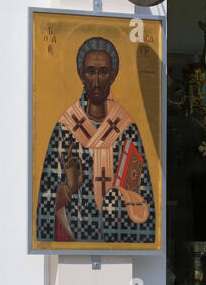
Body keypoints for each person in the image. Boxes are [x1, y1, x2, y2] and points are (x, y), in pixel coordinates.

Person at [36, 36, 155, 244]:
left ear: (113, 75)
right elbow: (43, 203)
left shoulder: (127, 130)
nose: (97, 81)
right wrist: (70, 188)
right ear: (82, 75)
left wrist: (123, 195)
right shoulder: (65, 129)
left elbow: (141, 199)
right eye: (91, 72)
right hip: (72, 236)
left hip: (117, 237)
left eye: (103, 72)